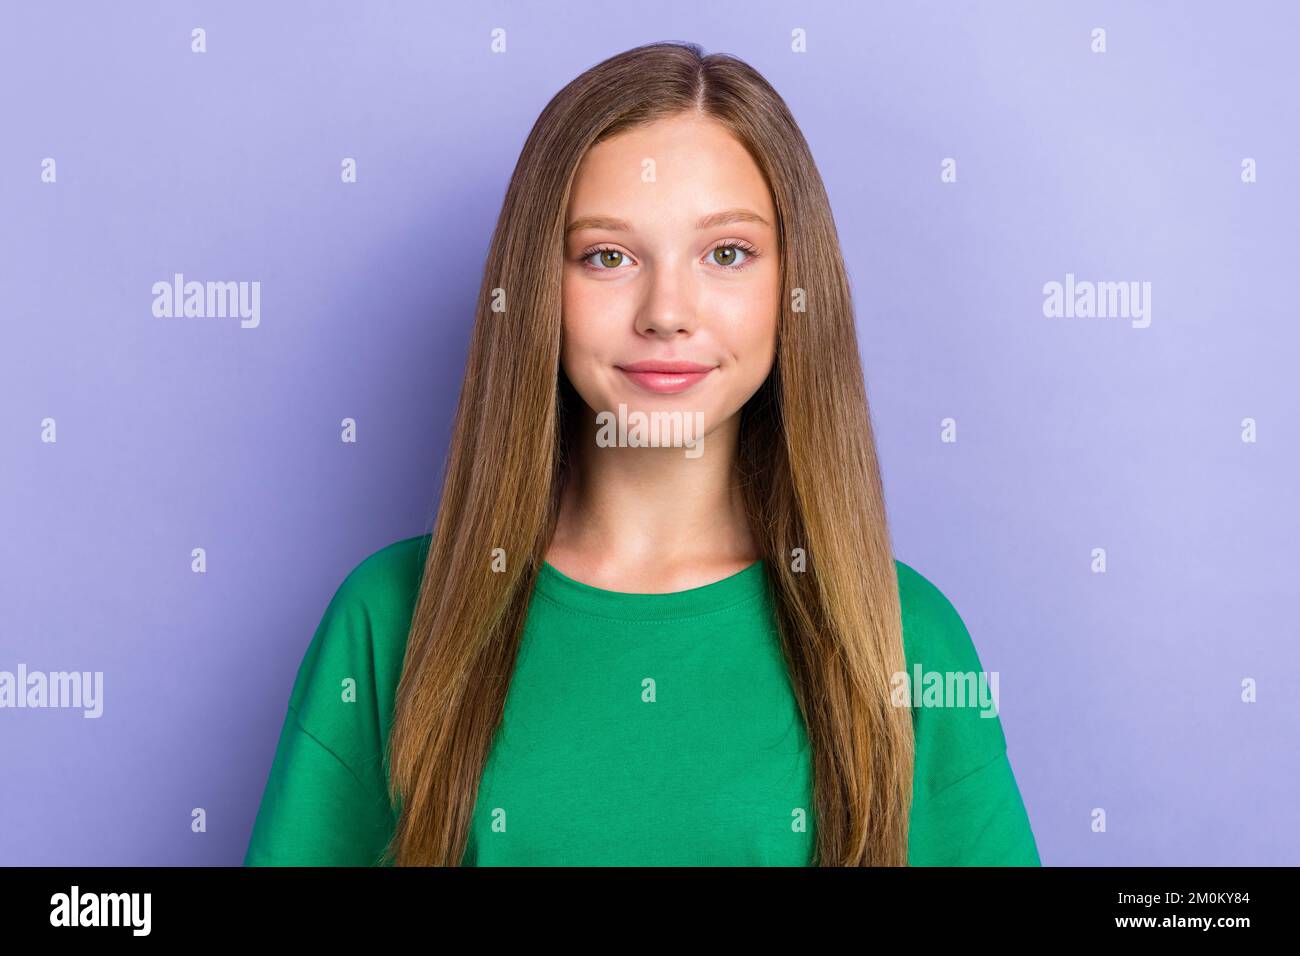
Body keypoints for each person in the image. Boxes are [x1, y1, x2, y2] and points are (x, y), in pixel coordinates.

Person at [244, 40, 1040, 867]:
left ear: (794, 285)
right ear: (538, 288)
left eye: (726, 253)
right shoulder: (390, 619)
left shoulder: (906, 638)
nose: (667, 311)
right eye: (608, 256)